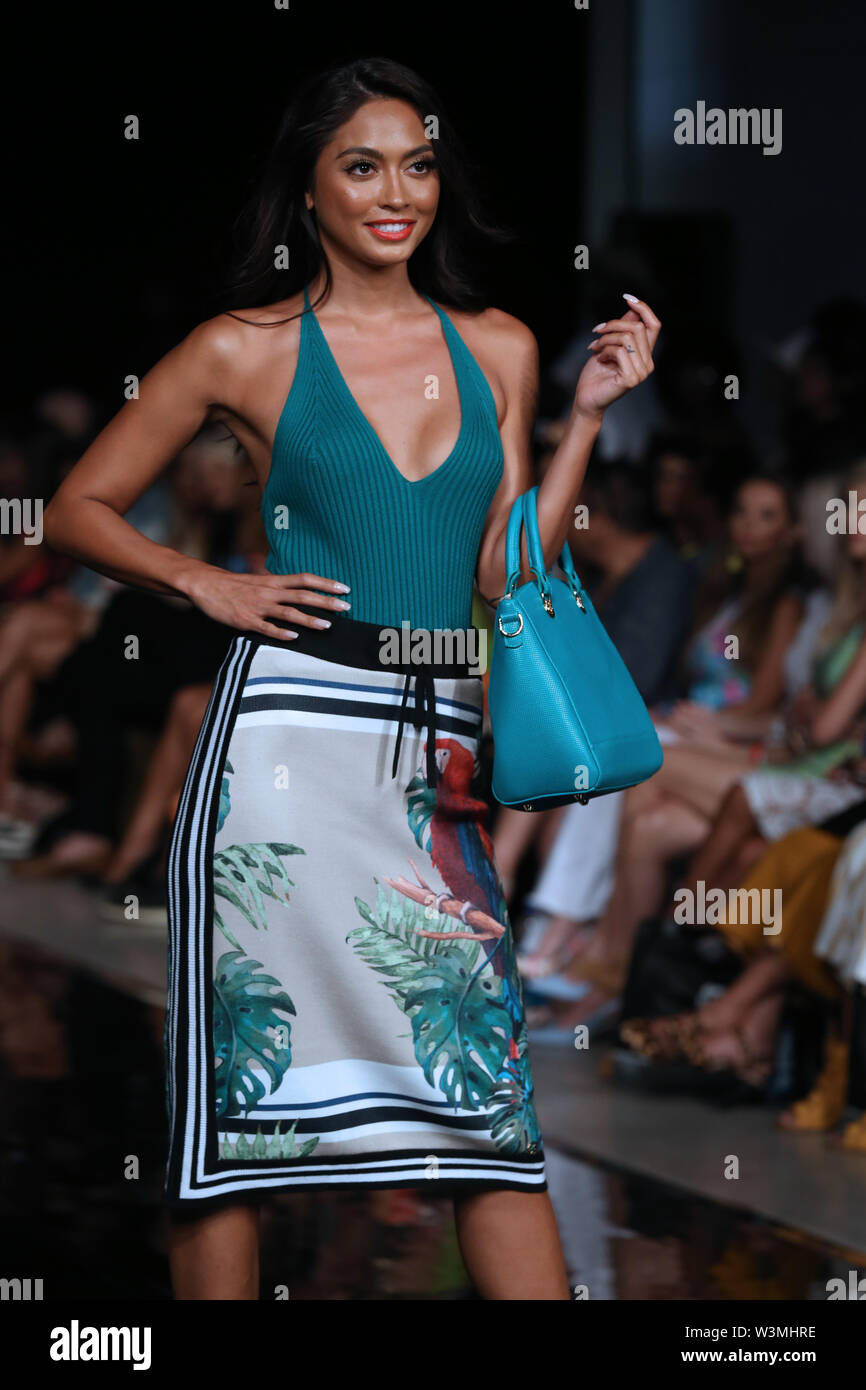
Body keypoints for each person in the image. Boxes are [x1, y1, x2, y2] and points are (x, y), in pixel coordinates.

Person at [43, 57, 660, 1300]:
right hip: (283, 751)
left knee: (485, 1121)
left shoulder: (498, 345)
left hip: (432, 757)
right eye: (362, 166)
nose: (396, 193)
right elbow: (74, 508)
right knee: (235, 1137)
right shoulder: (244, 347)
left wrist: (584, 420)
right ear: (310, 193)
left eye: (418, 164)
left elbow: (496, 566)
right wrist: (205, 583)